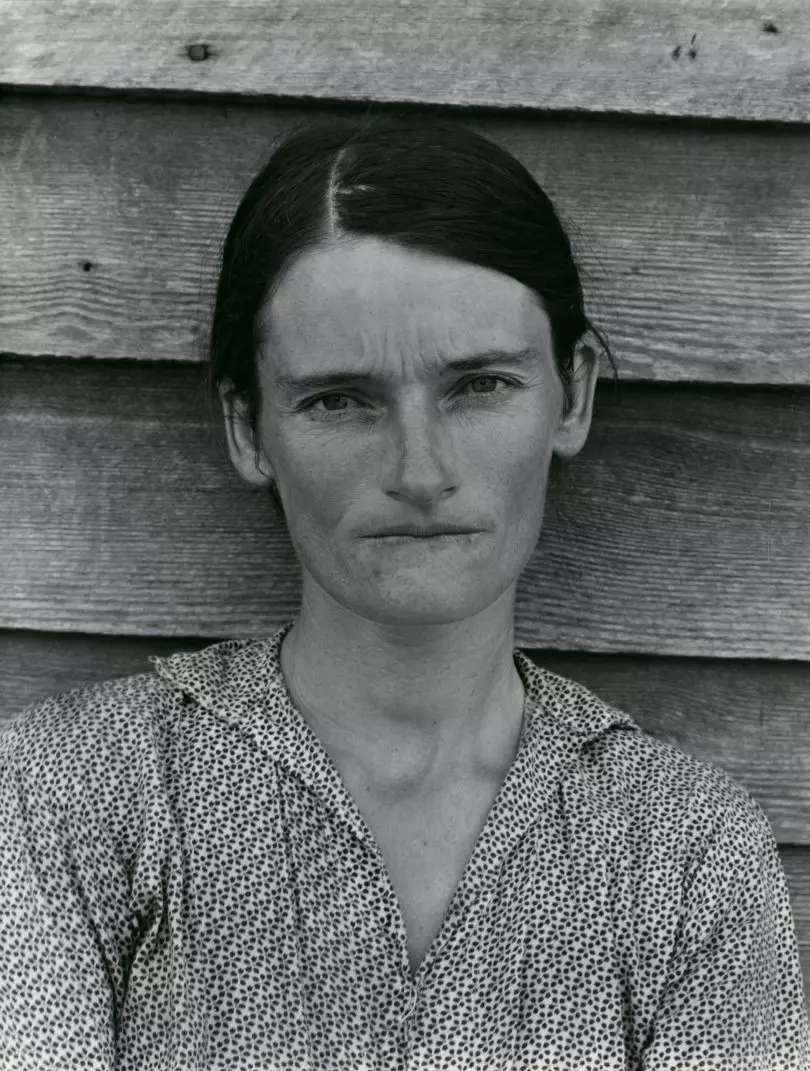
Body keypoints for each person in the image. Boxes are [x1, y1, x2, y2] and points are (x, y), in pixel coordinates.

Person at [1, 112, 808, 1071]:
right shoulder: (63, 797)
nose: (420, 470)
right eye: (340, 399)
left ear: (574, 393)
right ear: (250, 427)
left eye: (480, 386)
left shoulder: (684, 852)